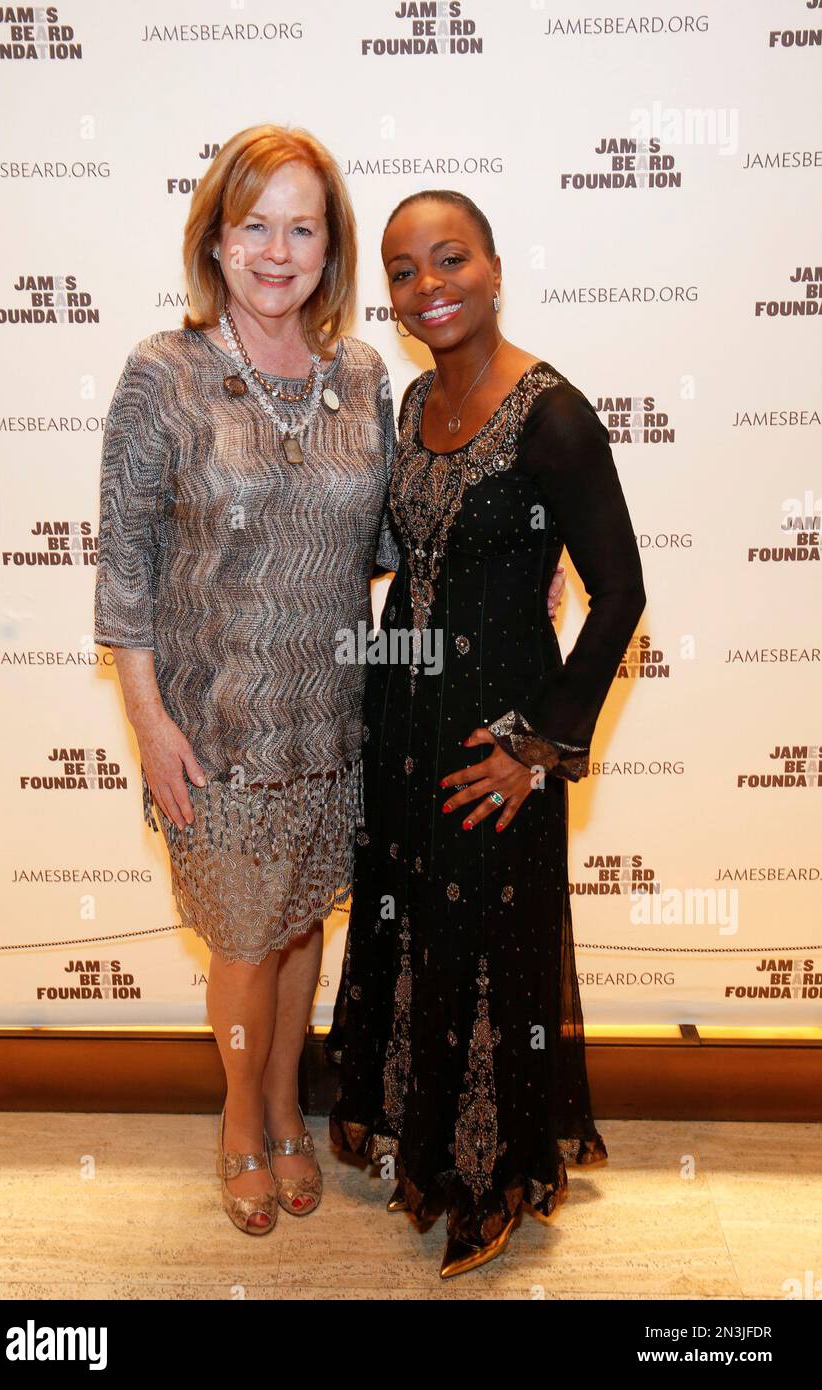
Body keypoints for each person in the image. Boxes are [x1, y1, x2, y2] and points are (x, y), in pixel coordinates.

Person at [328, 189, 646, 1278]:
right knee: (409, 925)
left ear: (495, 267)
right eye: (405, 271)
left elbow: (617, 597)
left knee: (486, 956)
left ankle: (492, 1175)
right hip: (403, 722)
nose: (429, 287)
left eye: (449, 259)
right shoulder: (412, 400)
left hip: (493, 745)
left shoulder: (550, 412)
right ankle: (412, 1129)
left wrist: (539, 747)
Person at [93, 124, 400, 1236]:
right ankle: (238, 1119)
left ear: (331, 246)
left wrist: (519, 557)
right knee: (238, 936)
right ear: (216, 242)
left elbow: (393, 541)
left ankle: (284, 1108)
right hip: (211, 723)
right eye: (255, 225)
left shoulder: (360, 376)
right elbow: (123, 563)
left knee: (299, 921)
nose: (279, 250)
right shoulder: (162, 374)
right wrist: (147, 722)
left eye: (302, 226)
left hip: (330, 721)